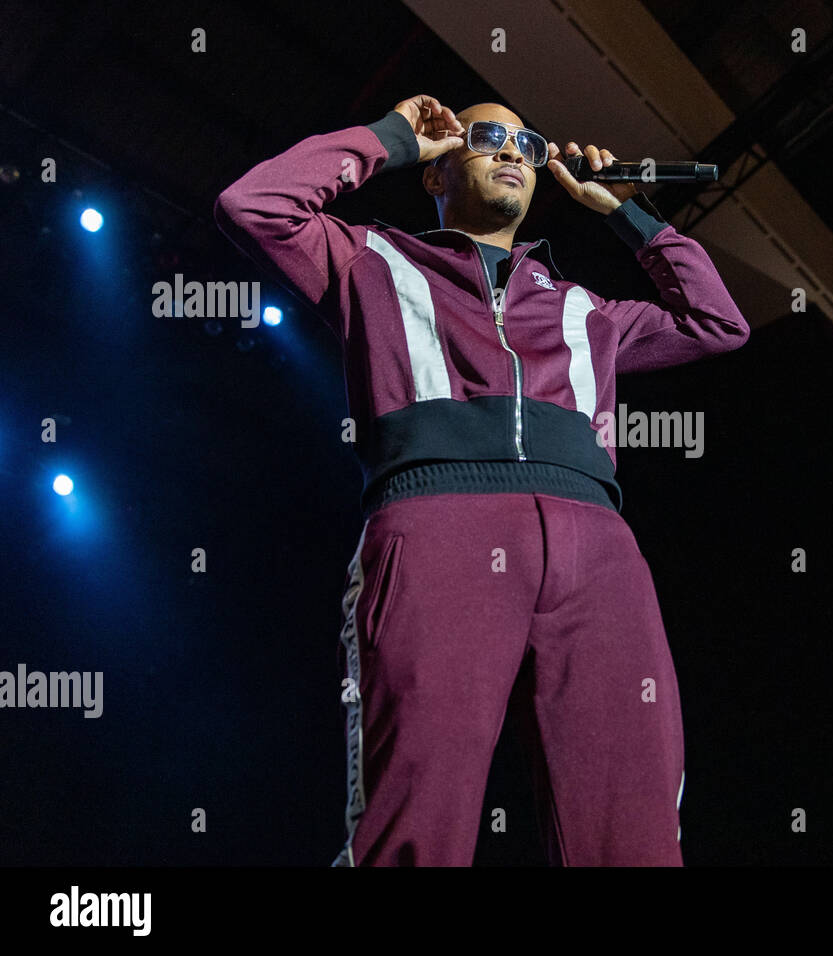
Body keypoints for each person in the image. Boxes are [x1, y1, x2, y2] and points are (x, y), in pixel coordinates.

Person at [213, 94, 749, 866]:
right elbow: (253, 205)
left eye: (526, 144)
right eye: (488, 136)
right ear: (438, 174)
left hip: (599, 550)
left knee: (632, 827)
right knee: (416, 819)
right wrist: (393, 138)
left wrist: (627, 215)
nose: (511, 152)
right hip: (438, 528)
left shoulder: (584, 310)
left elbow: (717, 323)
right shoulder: (373, 262)